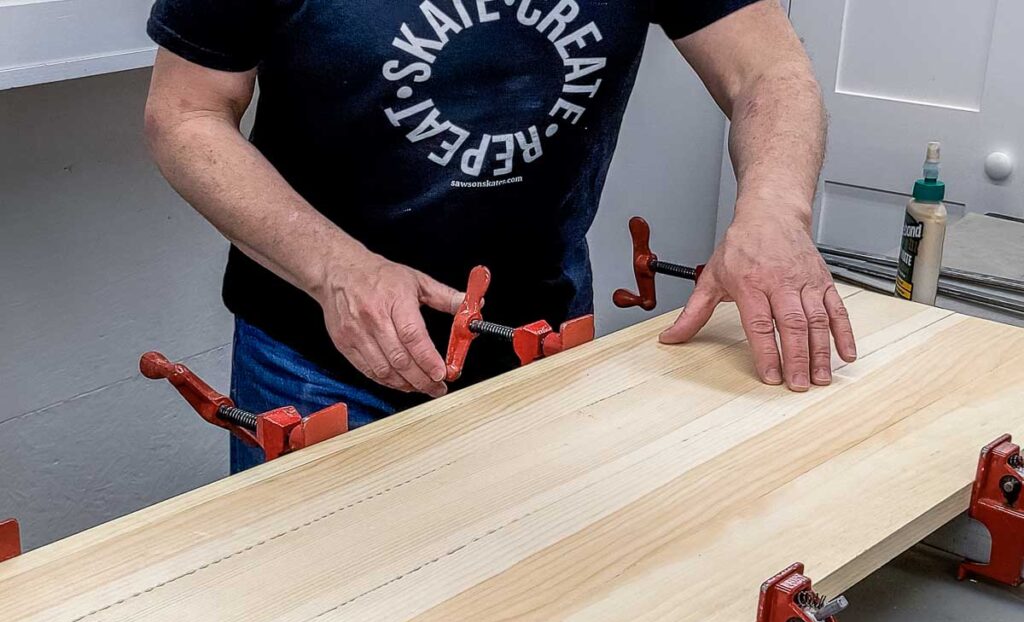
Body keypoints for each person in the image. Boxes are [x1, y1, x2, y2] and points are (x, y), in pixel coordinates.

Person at [143, 0, 858, 472]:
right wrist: (340, 271)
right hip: (317, 358)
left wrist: (773, 211)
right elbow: (184, 115)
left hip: (541, 339)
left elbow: (767, 67)